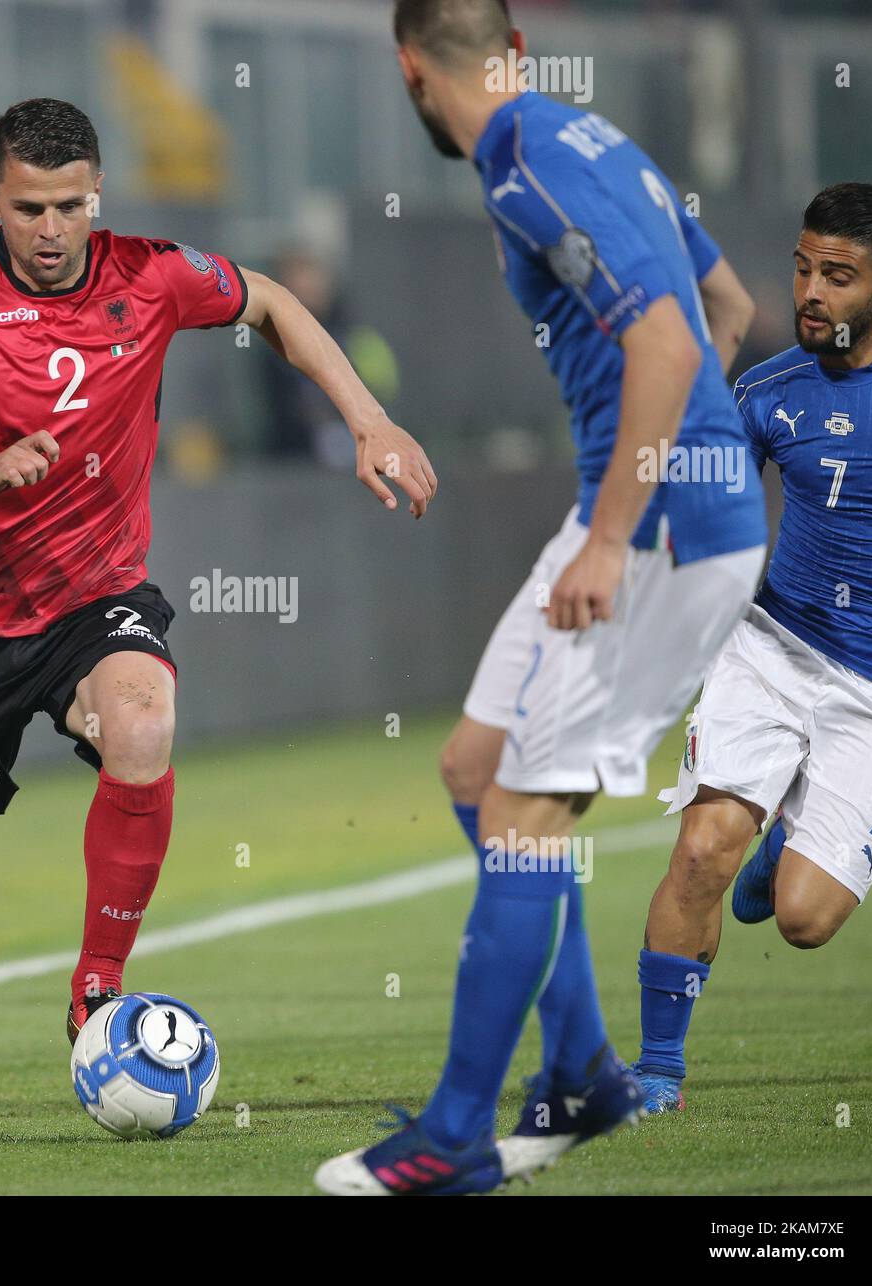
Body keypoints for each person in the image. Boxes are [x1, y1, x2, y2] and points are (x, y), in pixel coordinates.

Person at [0, 97, 436, 1127]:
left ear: (100, 197)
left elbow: (268, 299)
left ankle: (97, 985)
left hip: (98, 601)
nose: (51, 231)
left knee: (142, 715)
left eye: (71, 206)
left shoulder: (152, 274)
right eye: (30, 207)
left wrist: (368, 417)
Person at [317, 0, 766, 1195]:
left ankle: (455, 1134)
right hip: (651, 513)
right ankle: (581, 1073)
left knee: (524, 817)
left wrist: (619, 532)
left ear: (410, 71)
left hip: (661, 538)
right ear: (512, 52)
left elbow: (669, 347)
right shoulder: (596, 138)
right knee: (475, 769)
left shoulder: (522, 172)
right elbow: (731, 309)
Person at [634, 182, 872, 1115]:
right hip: (774, 645)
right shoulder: (772, 391)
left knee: (803, 919)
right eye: (802, 268)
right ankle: (657, 1071)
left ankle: (785, 837)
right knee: (701, 848)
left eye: (839, 275)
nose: (812, 291)